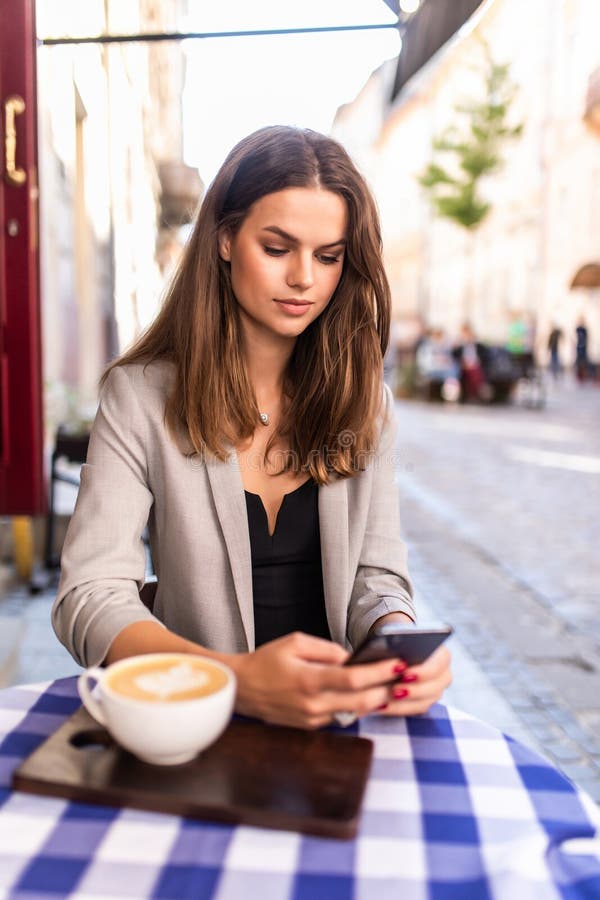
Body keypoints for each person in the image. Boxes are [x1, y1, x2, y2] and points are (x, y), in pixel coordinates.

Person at [53, 126, 451, 730]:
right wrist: (233, 681)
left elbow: (378, 577)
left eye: (328, 256)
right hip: (193, 721)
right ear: (225, 239)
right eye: (277, 247)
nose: (304, 279)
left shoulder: (366, 405)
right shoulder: (139, 397)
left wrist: (398, 640)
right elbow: (90, 593)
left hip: (337, 723)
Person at [453, 323, 486, 402]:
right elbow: (455, 357)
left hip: (475, 366)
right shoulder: (459, 346)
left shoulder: (477, 346)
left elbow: (482, 356)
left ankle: (476, 393)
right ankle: (472, 394)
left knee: (475, 372)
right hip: (463, 366)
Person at [575, 318, 589, 382]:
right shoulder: (578, 329)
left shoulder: (584, 330)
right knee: (579, 363)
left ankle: (584, 377)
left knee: (583, 363)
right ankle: (579, 377)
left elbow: (587, 339)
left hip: (583, 349)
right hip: (579, 349)